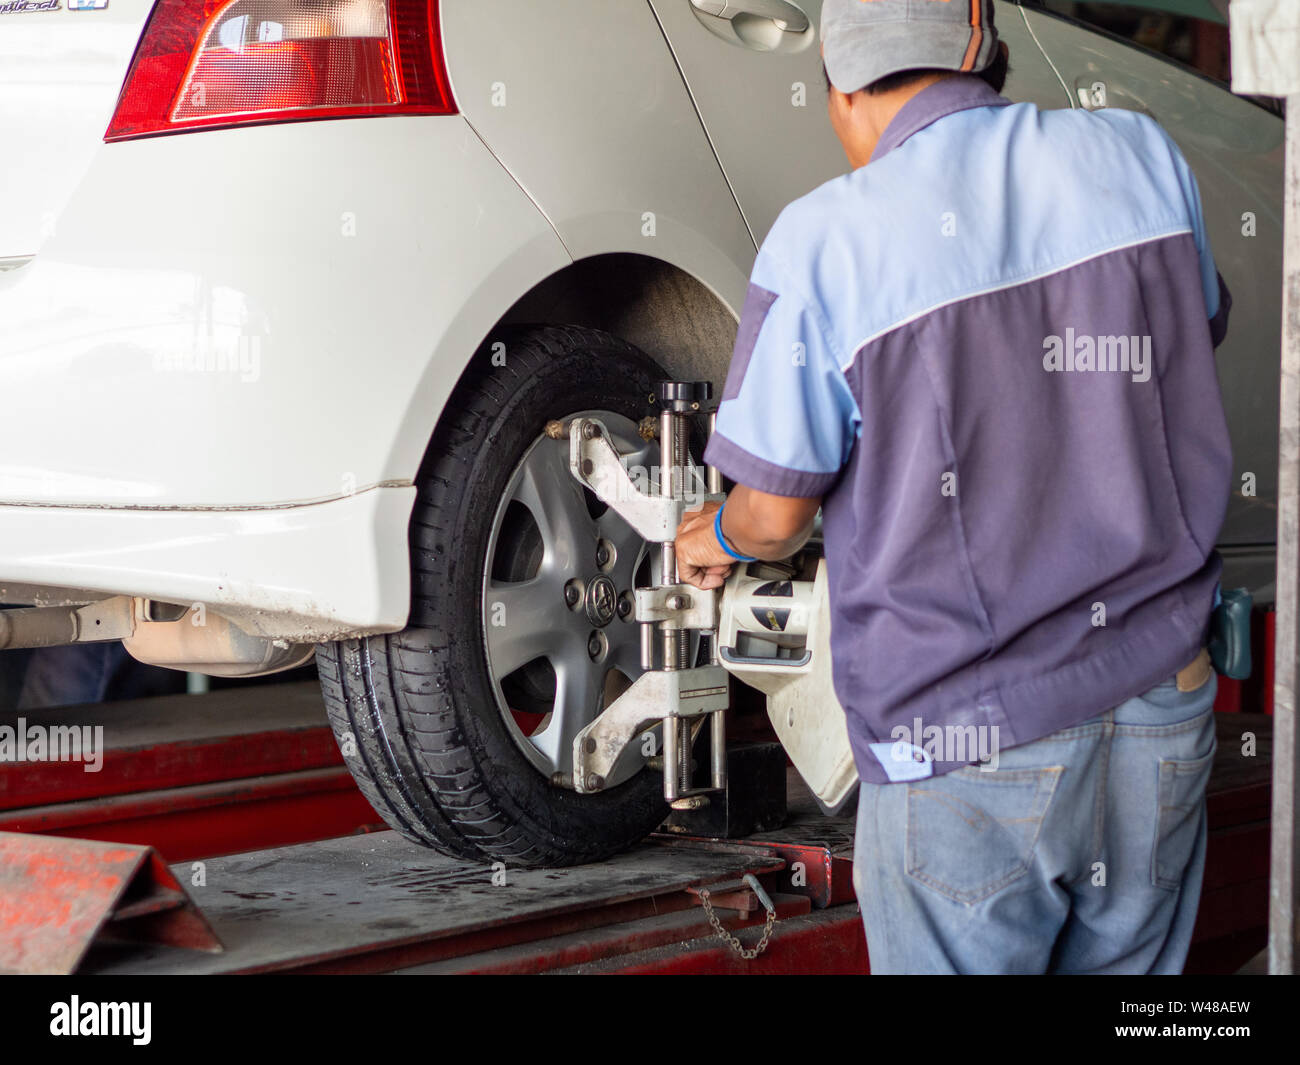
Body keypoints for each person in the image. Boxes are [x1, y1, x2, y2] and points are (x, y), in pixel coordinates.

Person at [673, 0, 1232, 974]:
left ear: (842, 97)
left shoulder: (824, 242)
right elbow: (1191, 330)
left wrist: (712, 537)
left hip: (972, 744)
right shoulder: (1141, 155)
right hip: (1161, 698)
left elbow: (773, 516)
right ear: (986, 57)